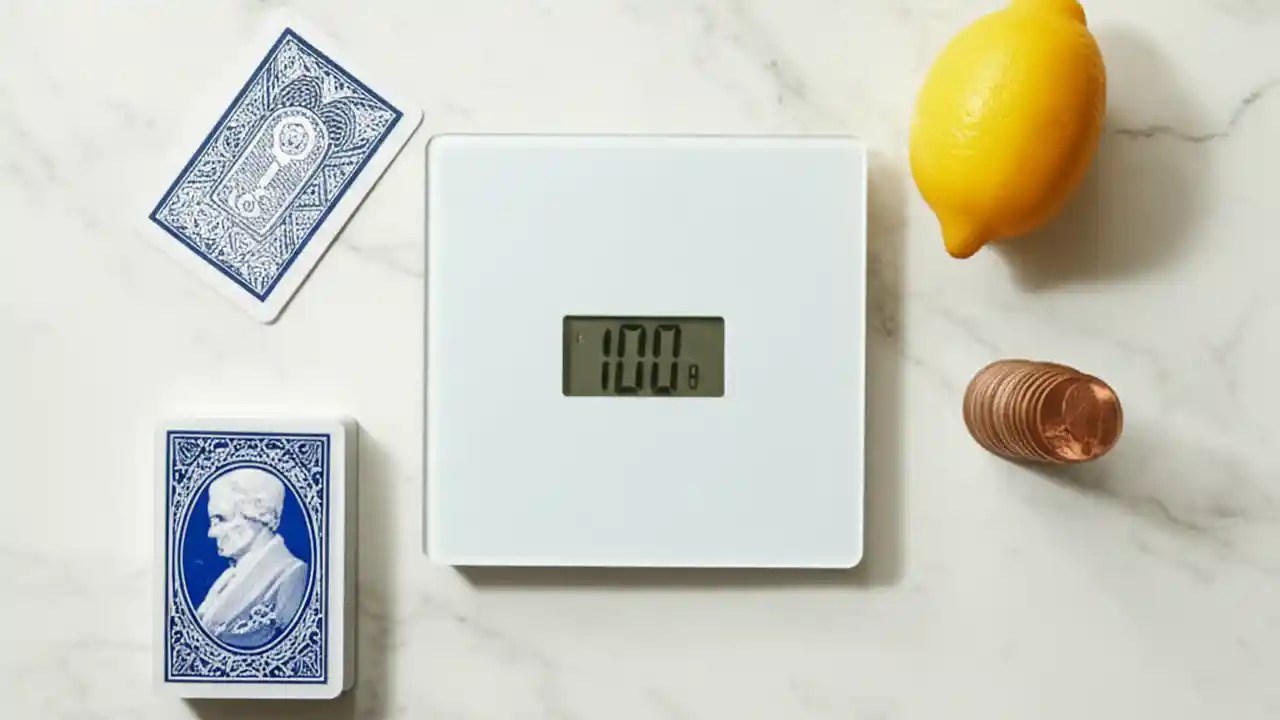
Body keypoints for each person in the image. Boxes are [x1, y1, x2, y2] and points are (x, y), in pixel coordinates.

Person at [195, 467, 307, 649]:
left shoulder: (290, 575)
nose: (211, 533)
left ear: (259, 515)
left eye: (221, 520)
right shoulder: (228, 577)